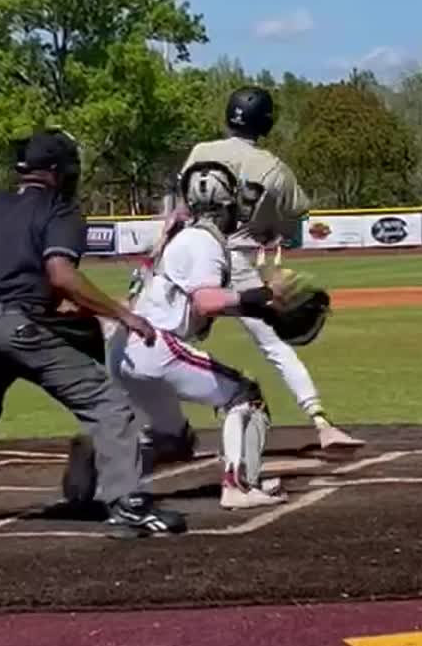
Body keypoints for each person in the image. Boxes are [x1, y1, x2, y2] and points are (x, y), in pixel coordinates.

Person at [0, 130, 187, 535]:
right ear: (57, 173)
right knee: (107, 403)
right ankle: (127, 505)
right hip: (22, 325)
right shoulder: (59, 211)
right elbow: (62, 276)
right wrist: (124, 316)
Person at [67, 158, 299, 512]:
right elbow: (207, 302)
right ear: (224, 202)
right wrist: (264, 297)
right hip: (156, 345)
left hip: (125, 348)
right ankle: (240, 485)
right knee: (245, 395)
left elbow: (200, 301)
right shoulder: (202, 241)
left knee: (174, 441)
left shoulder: (179, 236)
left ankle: (98, 468)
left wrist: (259, 306)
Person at [178, 86, 360, 451]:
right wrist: (273, 229)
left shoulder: (201, 152)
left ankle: (151, 426)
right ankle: (321, 422)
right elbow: (294, 221)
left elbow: (182, 203)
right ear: (267, 122)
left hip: (192, 255)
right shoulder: (274, 167)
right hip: (238, 261)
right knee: (276, 345)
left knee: (162, 339)